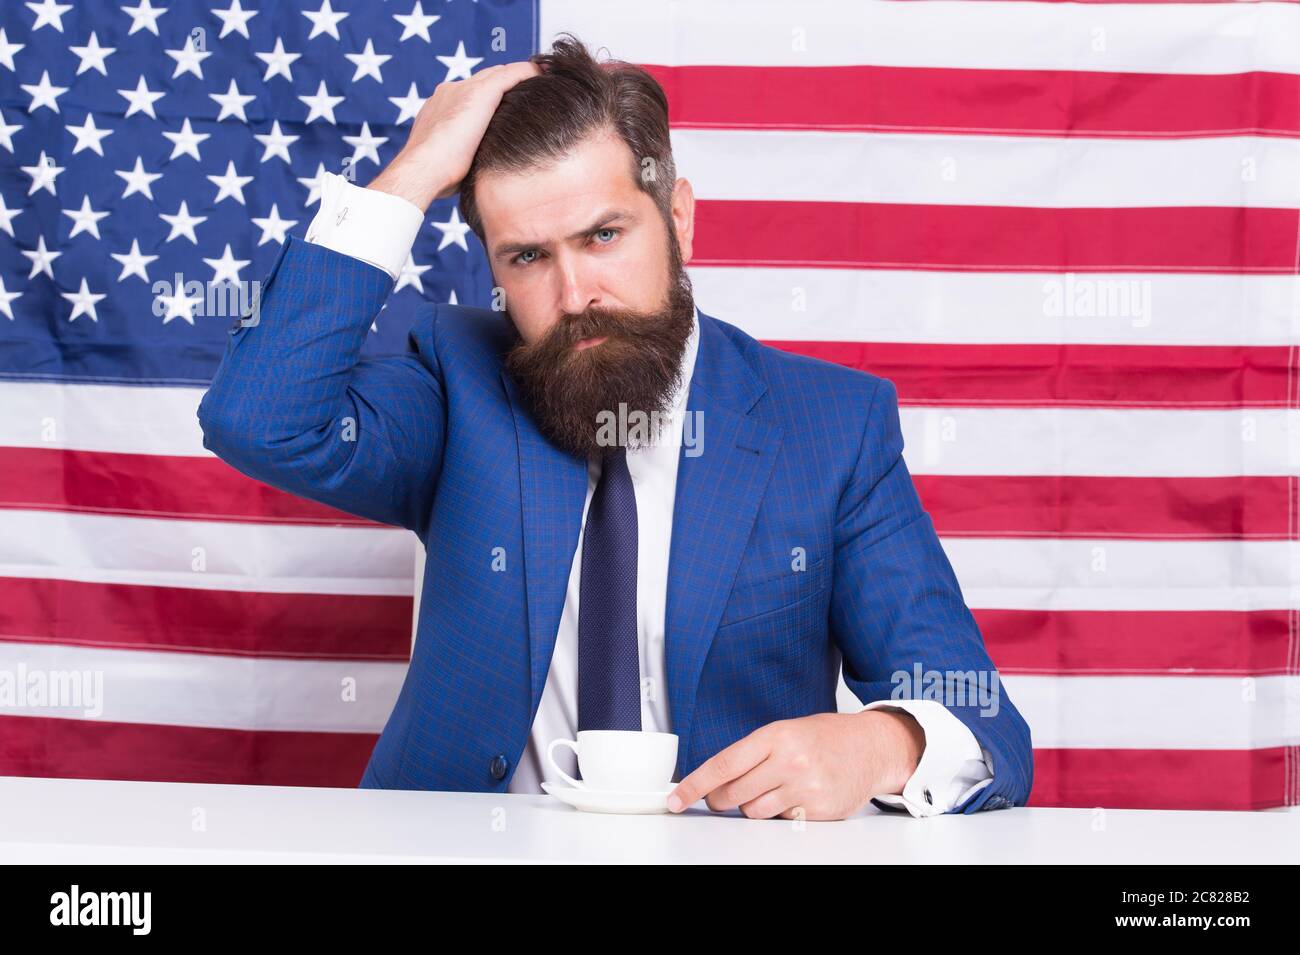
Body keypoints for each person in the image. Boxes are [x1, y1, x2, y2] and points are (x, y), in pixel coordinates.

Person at [198, 35, 1032, 820]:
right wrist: (416, 171)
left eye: (604, 235)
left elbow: (984, 724)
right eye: (527, 256)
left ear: (679, 220)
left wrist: (883, 741)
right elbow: (259, 418)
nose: (573, 296)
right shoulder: (459, 384)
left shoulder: (831, 428)